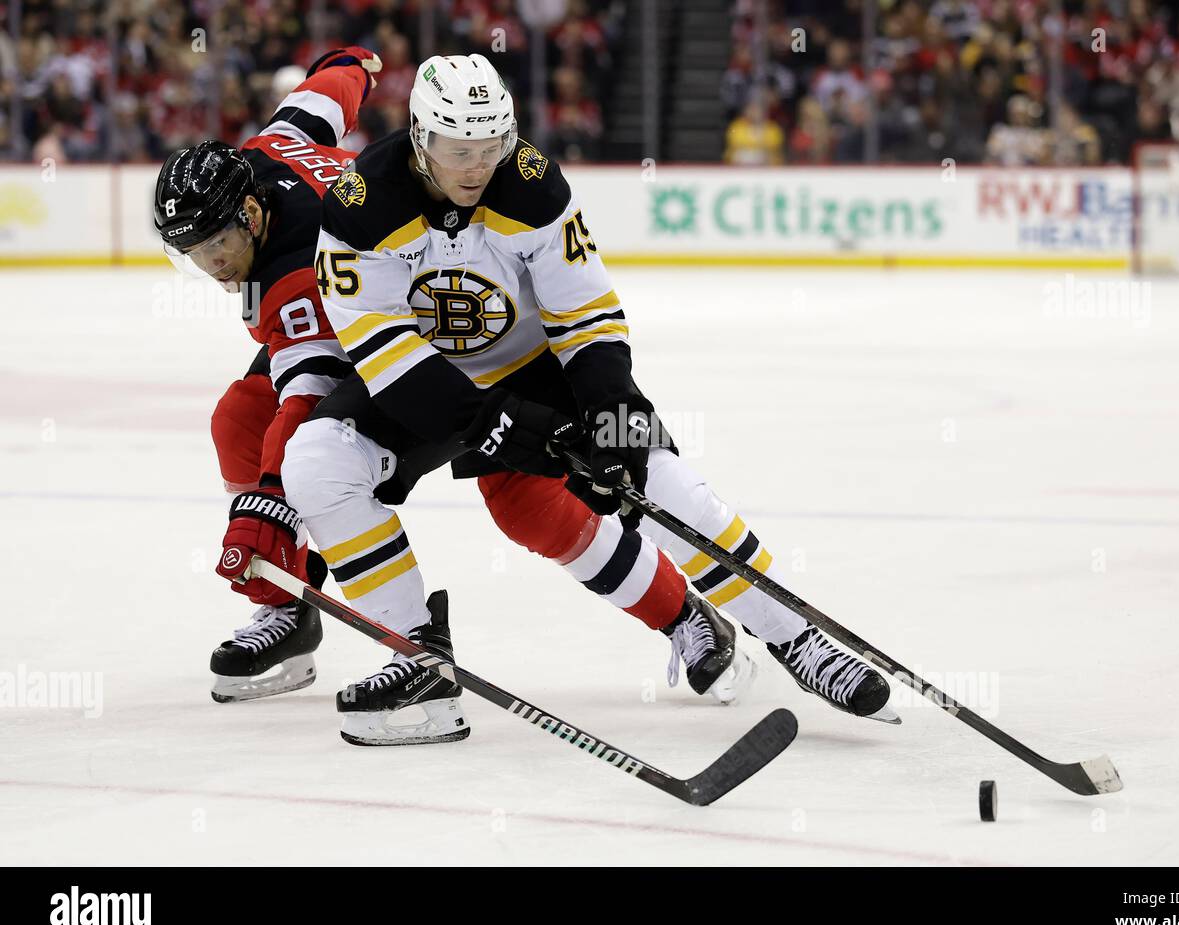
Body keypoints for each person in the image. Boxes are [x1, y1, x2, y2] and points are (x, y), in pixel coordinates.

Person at [242, 53, 900, 746]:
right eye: (458, 150)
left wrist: (614, 406)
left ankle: (797, 639)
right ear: (419, 138)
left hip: (537, 365)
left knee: (652, 474)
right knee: (316, 460)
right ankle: (417, 656)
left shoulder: (530, 184)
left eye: (490, 146)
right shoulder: (359, 204)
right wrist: (493, 427)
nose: (476, 166)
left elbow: (585, 315)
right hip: (423, 379)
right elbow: (388, 355)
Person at [153, 46, 381, 703]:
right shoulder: (269, 149)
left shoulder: (289, 276)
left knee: (309, 448)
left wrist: (268, 500)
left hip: (420, 326)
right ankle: (287, 607)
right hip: (354, 308)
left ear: (251, 217)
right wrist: (352, 63)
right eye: (191, 254)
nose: (211, 264)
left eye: (217, 244)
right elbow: (327, 93)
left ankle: (392, 614)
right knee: (239, 416)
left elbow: (306, 396)